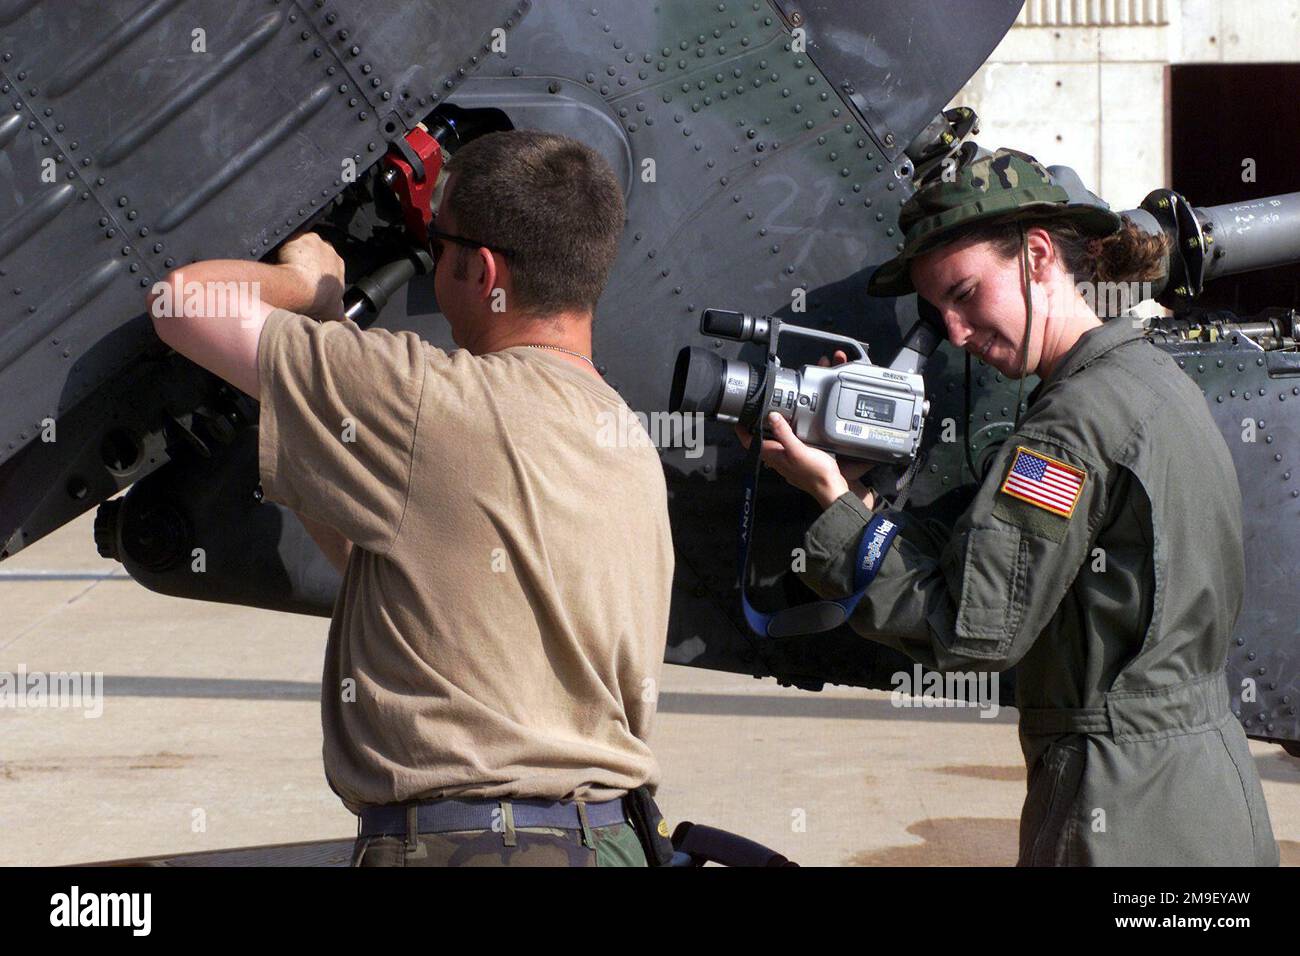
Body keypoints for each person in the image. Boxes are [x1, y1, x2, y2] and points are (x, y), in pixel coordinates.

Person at [147, 129, 675, 866]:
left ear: (481, 268)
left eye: (438, 244)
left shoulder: (435, 400)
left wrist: (309, 288)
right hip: (612, 841)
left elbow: (182, 303)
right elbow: (404, 559)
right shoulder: (625, 440)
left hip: (474, 849)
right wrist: (318, 413)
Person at [741, 147, 1279, 866]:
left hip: (1119, 811)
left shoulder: (1067, 429)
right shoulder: (1150, 380)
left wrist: (833, 503)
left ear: (1035, 255)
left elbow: (974, 630)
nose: (957, 333)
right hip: (1208, 797)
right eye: (940, 312)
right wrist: (864, 486)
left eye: (966, 294)